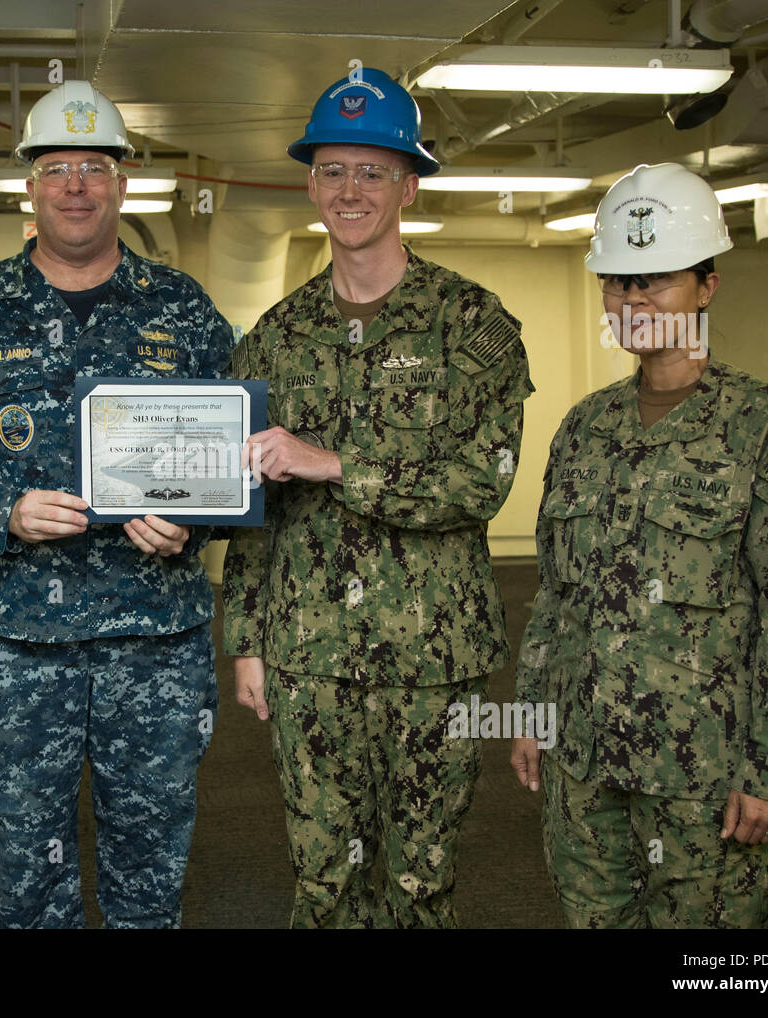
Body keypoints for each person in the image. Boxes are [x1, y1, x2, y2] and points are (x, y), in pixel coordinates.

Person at [0, 80, 234, 929]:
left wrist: (193, 520)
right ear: (29, 182)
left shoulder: (185, 312)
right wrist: (5, 511)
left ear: (123, 182)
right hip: (21, 644)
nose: (76, 187)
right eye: (56, 168)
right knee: (27, 866)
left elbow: (230, 458)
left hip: (154, 641)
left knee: (151, 860)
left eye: (94, 168)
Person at [223, 68, 534, 927]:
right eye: (332, 171)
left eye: (372, 171)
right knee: (322, 885)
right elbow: (254, 507)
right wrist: (246, 639)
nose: (349, 190)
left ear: (409, 183)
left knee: (420, 886)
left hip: (433, 658)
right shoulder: (277, 336)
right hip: (307, 654)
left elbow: (481, 485)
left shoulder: (472, 326)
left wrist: (333, 465)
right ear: (309, 183)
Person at [510, 162, 768, 928]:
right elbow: (557, 595)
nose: (632, 300)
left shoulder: (767, 430)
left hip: (704, 779)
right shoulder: (584, 428)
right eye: (617, 281)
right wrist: (533, 713)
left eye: (655, 279)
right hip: (588, 766)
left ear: (706, 286)